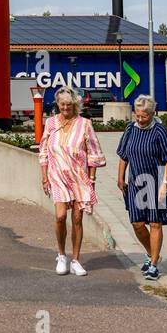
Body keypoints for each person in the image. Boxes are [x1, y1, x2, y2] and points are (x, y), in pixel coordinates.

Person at [38, 86, 107, 276]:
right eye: (62, 105)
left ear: (74, 105)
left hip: (79, 177)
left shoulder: (84, 124)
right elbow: (43, 151)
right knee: (60, 216)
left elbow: (94, 153)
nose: (65, 108)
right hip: (57, 176)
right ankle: (61, 255)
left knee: (77, 218)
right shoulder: (51, 123)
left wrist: (92, 179)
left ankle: (76, 259)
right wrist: (44, 177)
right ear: (57, 104)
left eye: (69, 105)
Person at [116, 94, 167, 281]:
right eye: (137, 115)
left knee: (154, 223)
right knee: (136, 223)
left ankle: (153, 265)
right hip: (135, 182)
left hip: (156, 182)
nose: (140, 119)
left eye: (144, 116)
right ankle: (152, 253)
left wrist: (165, 184)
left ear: (152, 114)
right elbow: (123, 156)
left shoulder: (160, 131)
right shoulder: (130, 129)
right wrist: (120, 178)